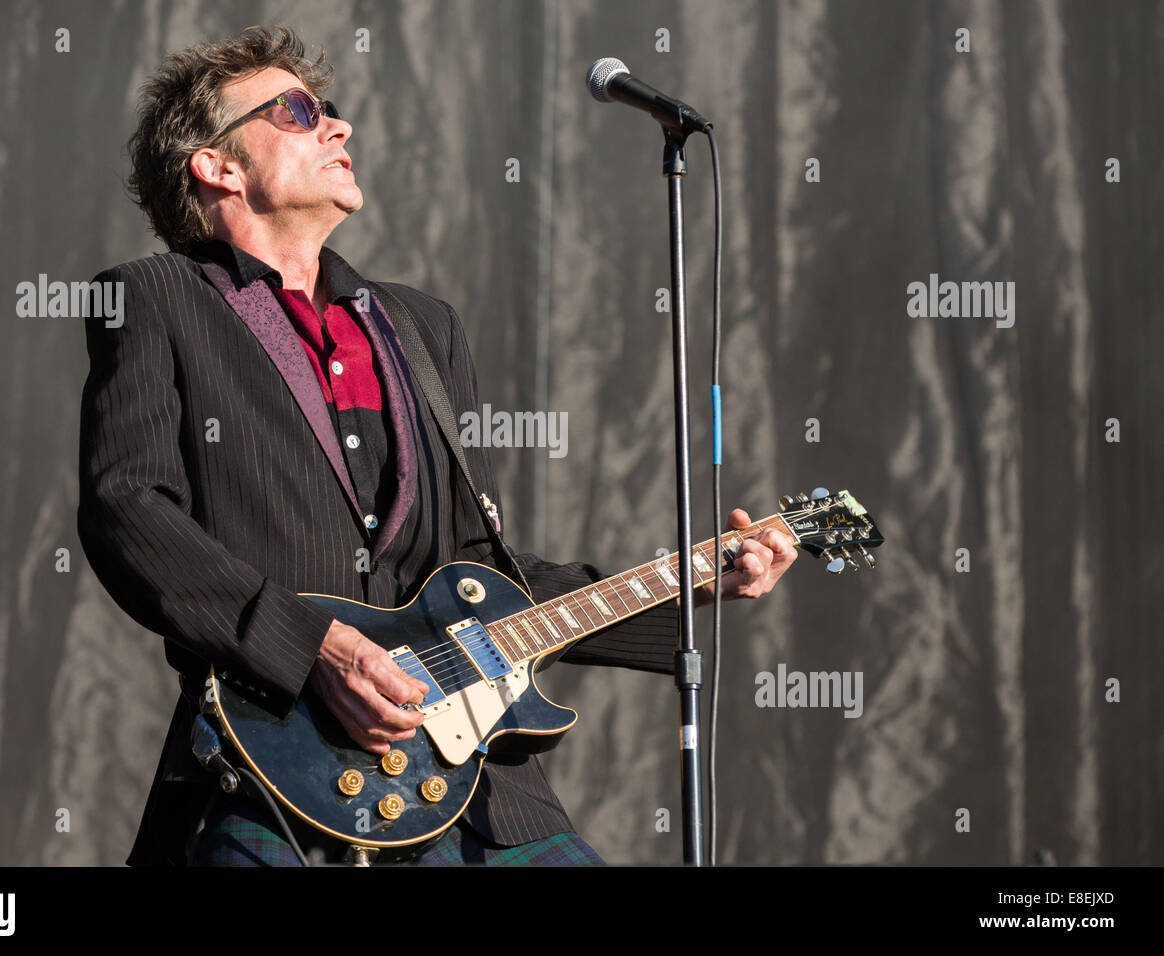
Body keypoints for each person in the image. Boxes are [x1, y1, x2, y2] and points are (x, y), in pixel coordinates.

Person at [76, 25, 797, 867]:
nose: (339, 129)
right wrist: (316, 648)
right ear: (218, 166)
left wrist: (698, 581)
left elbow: (477, 577)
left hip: (484, 796)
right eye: (301, 113)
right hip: (280, 774)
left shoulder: (420, 327)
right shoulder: (156, 300)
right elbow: (128, 510)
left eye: (333, 112)